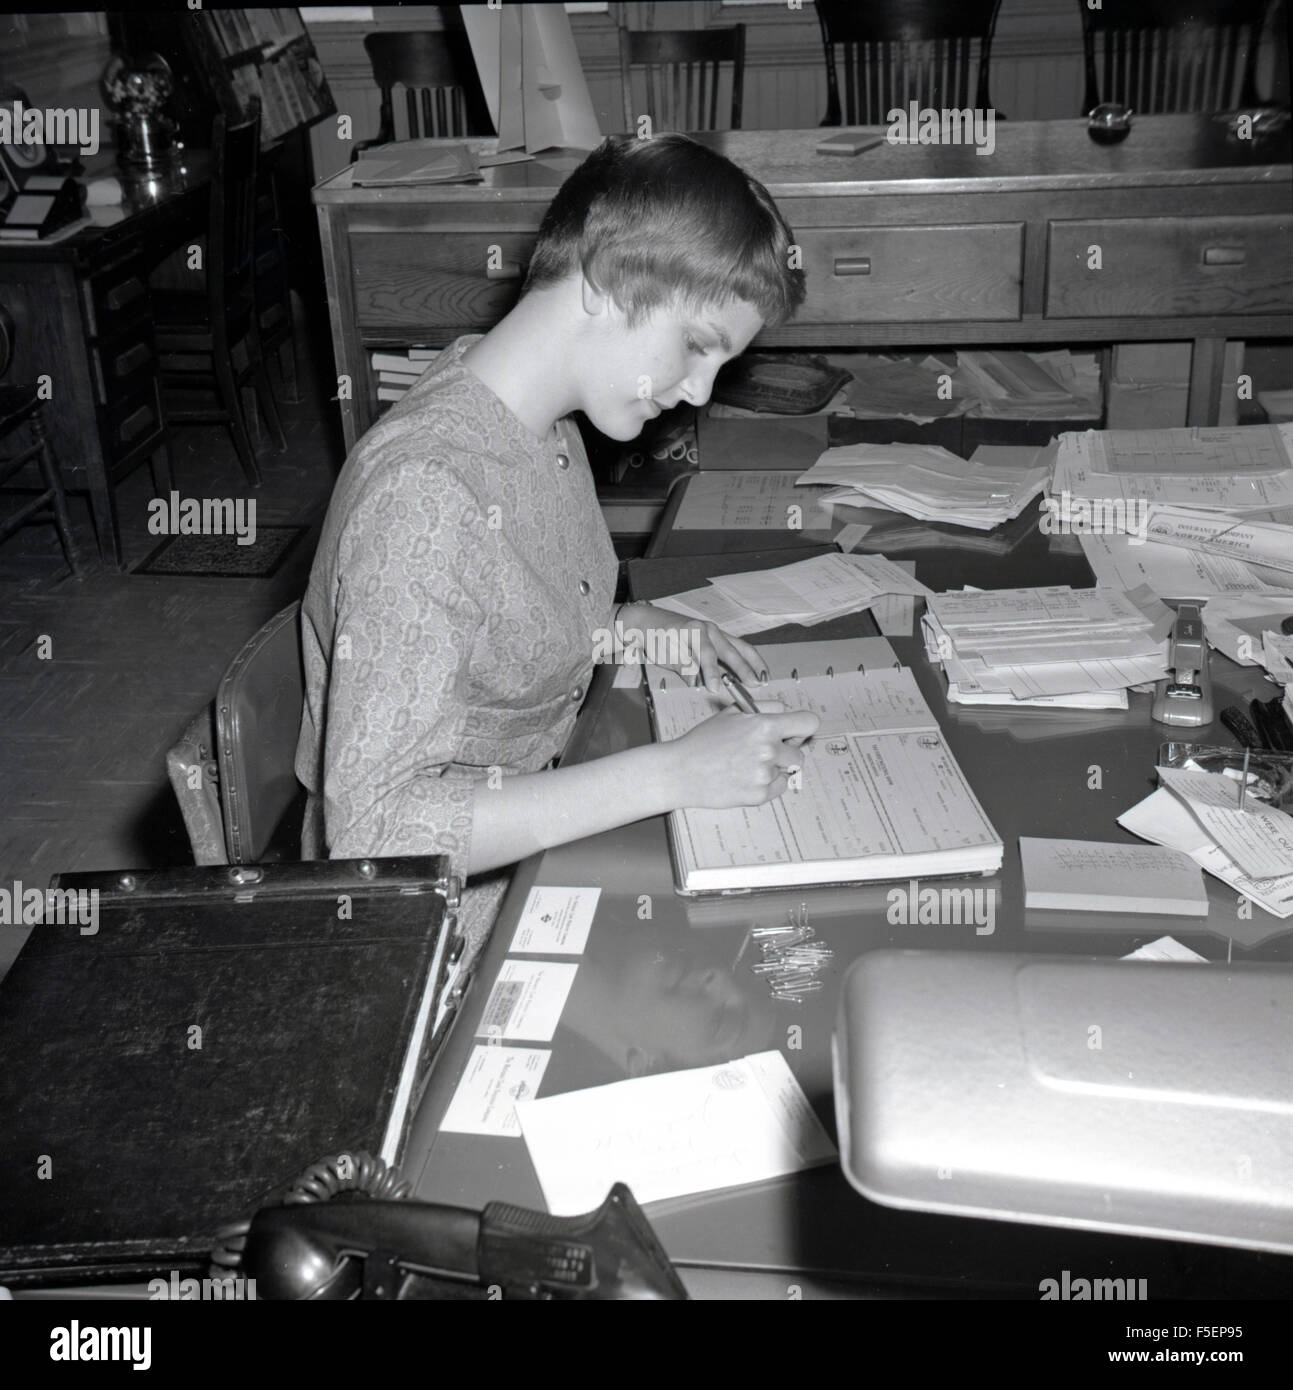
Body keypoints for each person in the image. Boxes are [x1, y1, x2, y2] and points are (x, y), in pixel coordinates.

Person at [296, 133, 820, 959]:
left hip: (529, 836)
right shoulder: (425, 496)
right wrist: (671, 774)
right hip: (427, 923)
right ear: (609, 279)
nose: (698, 391)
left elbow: (496, 624)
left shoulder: (538, 419)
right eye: (696, 345)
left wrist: (623, 627)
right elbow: (375, 829)